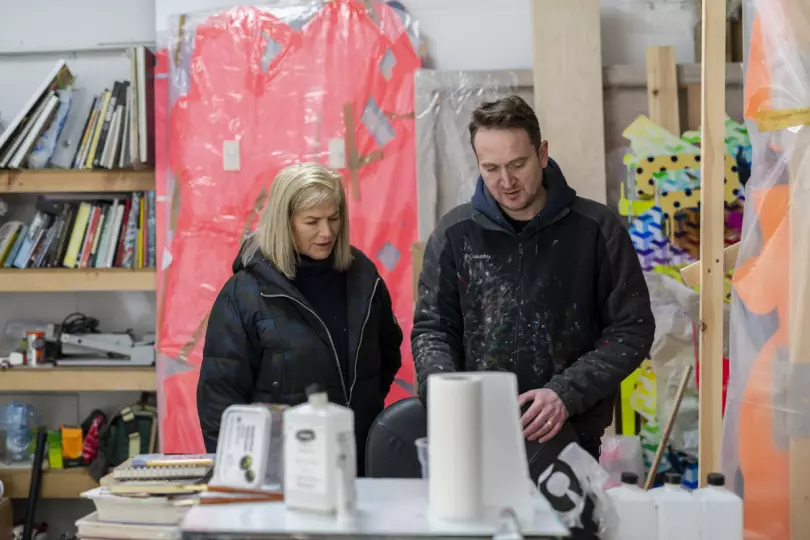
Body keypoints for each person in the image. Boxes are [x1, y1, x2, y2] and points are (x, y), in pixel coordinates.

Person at [412, 95, 655, 459]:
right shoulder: (454, 235)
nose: (506, 181)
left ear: (542, 154)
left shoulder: (597, 231)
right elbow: (432, 330)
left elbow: (632, 329)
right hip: (474, 438)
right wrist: (448, 399)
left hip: (569, 435)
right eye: (490, 168)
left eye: (518, 164)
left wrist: (565, 393)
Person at [198, 162, 403, 475]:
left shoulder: (364, 277)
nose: (327, 231)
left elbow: (387, 352)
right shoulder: (246, 293)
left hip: (358, 461)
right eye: (312, 221)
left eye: (334, 218)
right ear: (285, 222)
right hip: (279, 471)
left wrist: (361, 404)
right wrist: (235, 473)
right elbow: (220, 397)